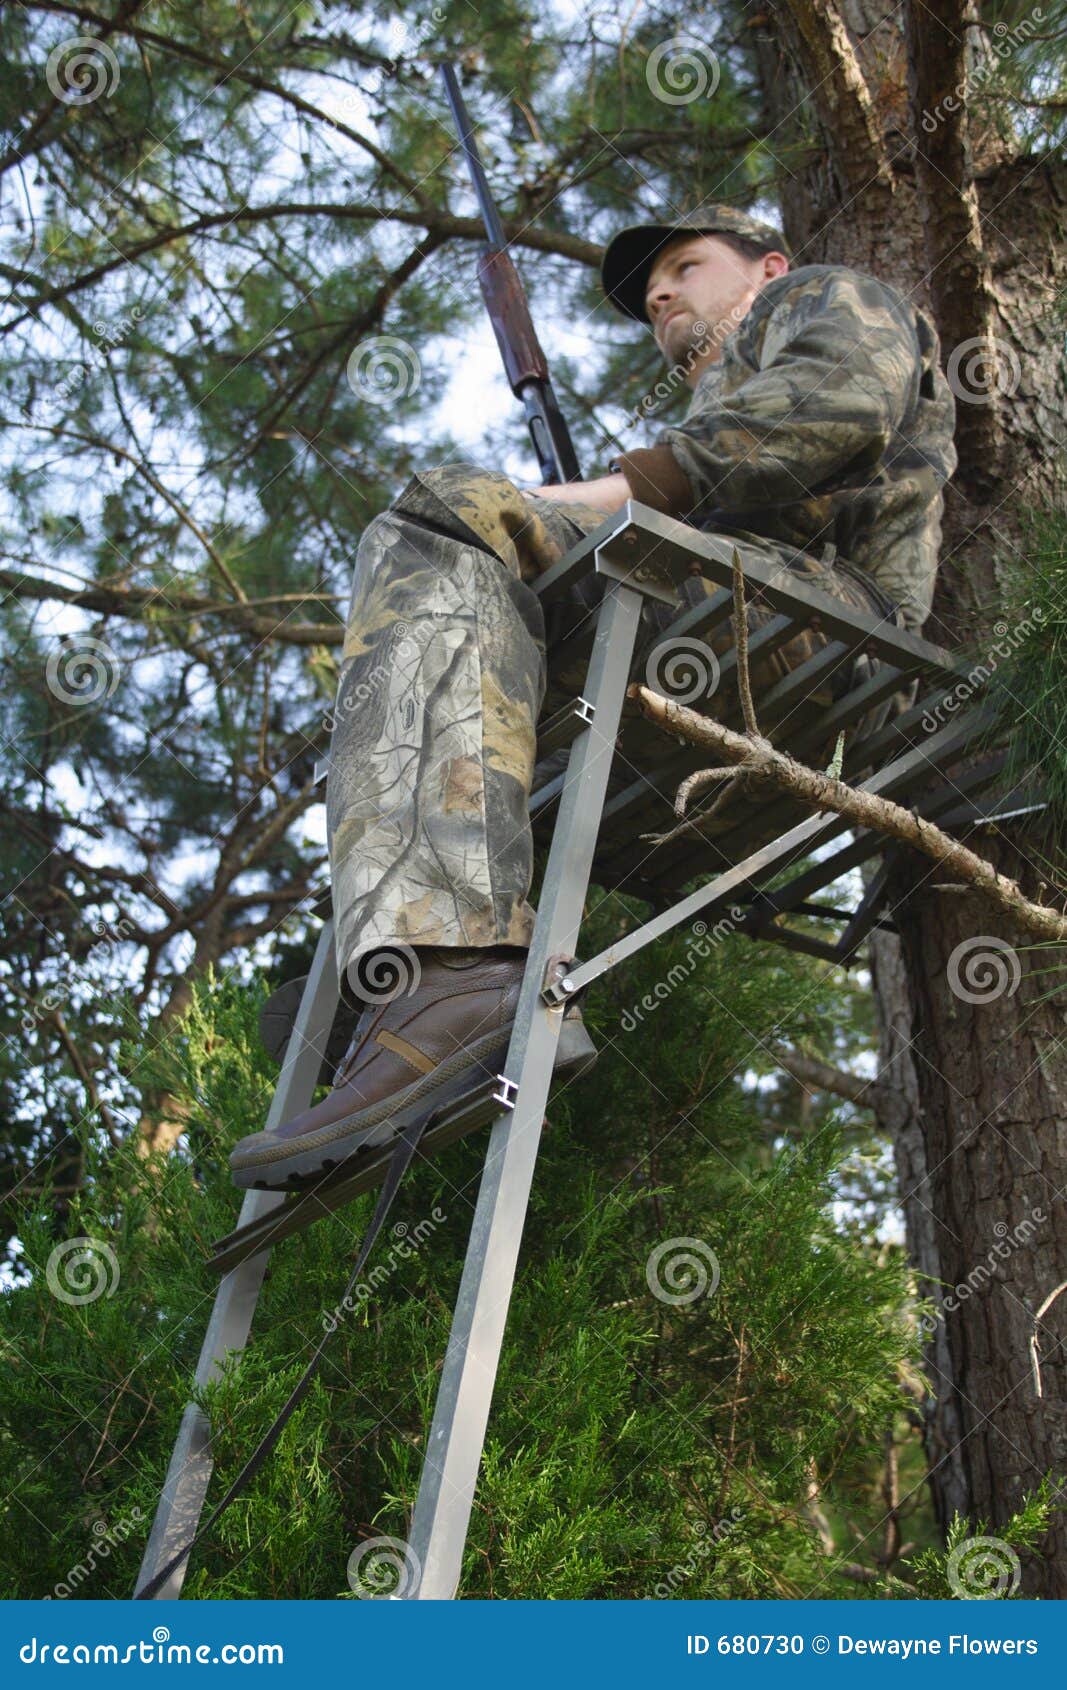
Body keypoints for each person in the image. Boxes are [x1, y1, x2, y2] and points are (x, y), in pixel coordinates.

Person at [229, 205, 957, 1191]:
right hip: (718, 694)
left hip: (822, 638)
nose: (658, 295)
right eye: (649, 291)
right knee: (466, 601)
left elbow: (836, 402)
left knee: (446, 512)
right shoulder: (708, 416)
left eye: (684, 267)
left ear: (767, 266)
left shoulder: (818, 296)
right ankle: (410, 957)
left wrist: (585, 500)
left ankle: (440, 971)